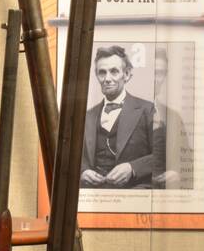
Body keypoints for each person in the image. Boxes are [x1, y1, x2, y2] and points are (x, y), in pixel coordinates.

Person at [81, 45, 164, 190]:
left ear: (126, 74)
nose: (107, 79)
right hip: (94, 197)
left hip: (134, 193)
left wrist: (132, 168)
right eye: (102, 72)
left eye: (114, 71)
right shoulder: (87, 116)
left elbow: (163, 155)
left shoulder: (147, 110)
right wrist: (83, 171)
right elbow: (73, 157)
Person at [151, 45, 193, 189]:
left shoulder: (174, 118)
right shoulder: (117, 112)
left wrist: (178, 174)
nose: (155, 78)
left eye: (160, 73)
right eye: (151, 72)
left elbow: (188, 164)